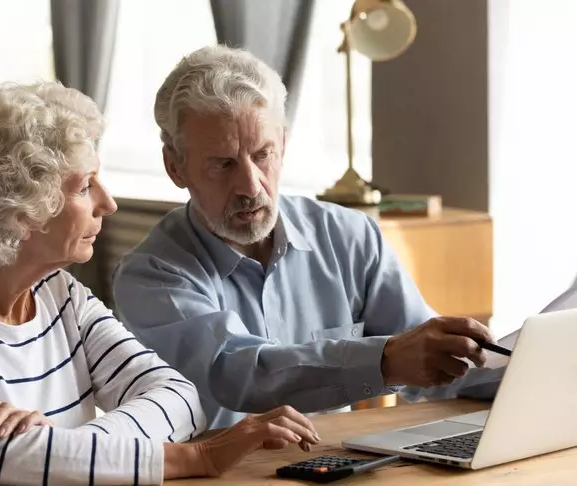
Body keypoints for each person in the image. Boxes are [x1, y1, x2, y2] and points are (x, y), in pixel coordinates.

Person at [0, 82, 320, 485]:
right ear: (24, 211)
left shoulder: (62, 295)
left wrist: (54, 450)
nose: (108, 203)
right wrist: (195, 456)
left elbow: (180, 399)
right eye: (85, 187)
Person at [112, 45, 500, 430]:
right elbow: (239, 372)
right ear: (174, 166)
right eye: (224, 164)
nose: (250, 185)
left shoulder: (349, 237)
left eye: (263, 155)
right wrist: (385, 359)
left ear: (282, 142)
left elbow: (438, 363)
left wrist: (526, 370)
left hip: (339, 464)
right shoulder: (152, 276)